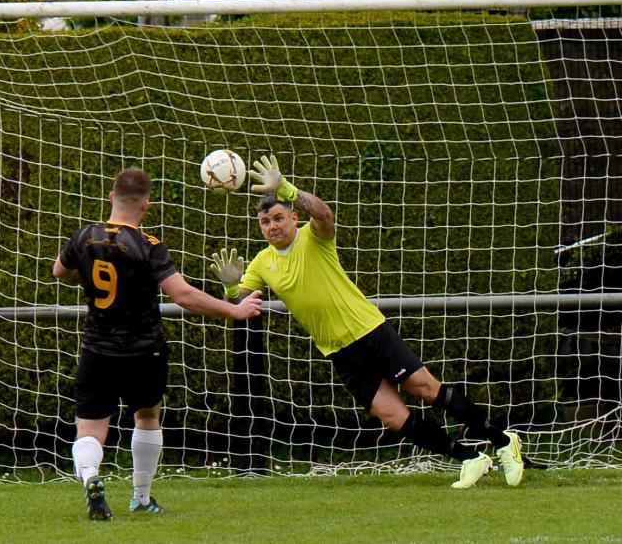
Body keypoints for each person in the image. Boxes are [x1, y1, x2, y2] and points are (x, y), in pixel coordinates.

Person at [210, 154, 524, 489]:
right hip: (339, 352)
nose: (272, 226)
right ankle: (471, 459)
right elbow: (240, 305)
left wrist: (287, 188)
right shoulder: (262, 262)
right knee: (393, 416)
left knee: (427, 390)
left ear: (293, 217)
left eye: (278, 218)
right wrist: (231, 287)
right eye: (265, 222)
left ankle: (504, 442)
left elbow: (325, 215)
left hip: (370, 331)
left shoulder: (312, 237)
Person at [53, 167, 262, 521]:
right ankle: (141, 496)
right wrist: (235, 310)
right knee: (148, 416)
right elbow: (183, 295)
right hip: (144, 349)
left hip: (97, 348)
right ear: (146, 206)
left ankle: (90, 477)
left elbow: (60, 272)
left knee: (90, 428)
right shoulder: (149, 246)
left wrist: (86, 272)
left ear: (111, 197)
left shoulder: (84, 236)